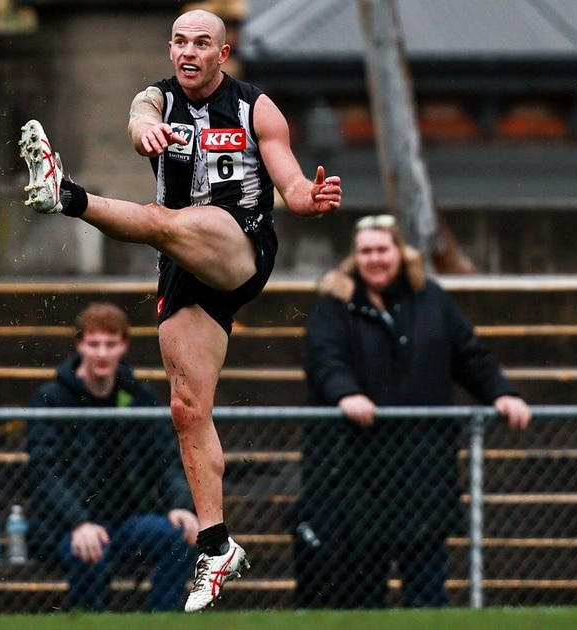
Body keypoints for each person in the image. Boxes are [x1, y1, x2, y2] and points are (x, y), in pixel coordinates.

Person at [18, 8, 342, 611]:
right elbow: (140, 119)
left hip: (239, 244)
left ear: (223, 53)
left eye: (202, 43)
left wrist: (309, 197)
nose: (189, 52)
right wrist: (145, 131)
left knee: (162, 220)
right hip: (182, 264)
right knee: (187, 408)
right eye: (180, 42)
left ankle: (66, 194)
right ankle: (216, 545)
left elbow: (291, 184)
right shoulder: (156, 98)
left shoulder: (257, 108)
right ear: (170, 49)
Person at [294, 214, 533, 609]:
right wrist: (346, 394)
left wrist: (502, 393)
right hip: (358, 474)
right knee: (361, 600)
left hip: (423, 473)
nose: (375, 259)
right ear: (355, 257)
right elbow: (324, 358)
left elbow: (469, 355)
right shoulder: (335, 306)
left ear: (400, 253)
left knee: (427, 594)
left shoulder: (431, 300)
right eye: (366, 251)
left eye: (382, 249)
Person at [27, 302, 200, 612]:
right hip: (65, 527)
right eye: (94, 344)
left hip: (126, 522)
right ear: (79, 345)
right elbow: (46, 472)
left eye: (111, 344)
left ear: (124, 345)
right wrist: (79, 523)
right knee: (90, 551)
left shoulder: (138, 398)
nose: (102, 353)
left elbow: (165, 461)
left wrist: (180, 506)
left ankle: (161, 621)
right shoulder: (51, 398)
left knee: (182, 537)